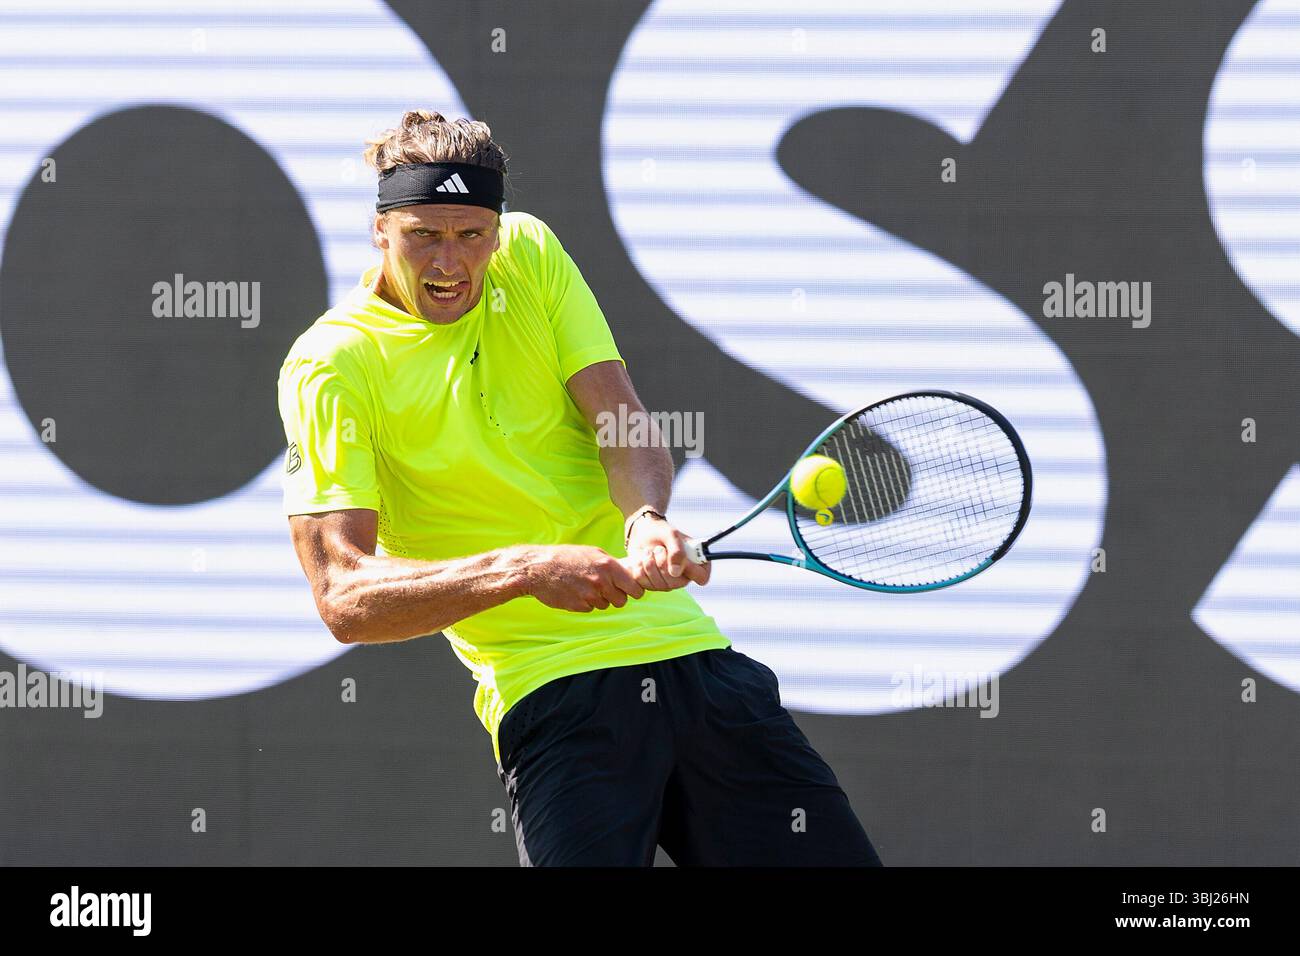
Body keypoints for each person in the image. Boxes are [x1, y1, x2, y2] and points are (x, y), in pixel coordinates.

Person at [277, 108, 882, 867]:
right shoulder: (332, 364)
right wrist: (526, 569)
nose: (450, 262)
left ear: (497, 232)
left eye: (471, 235)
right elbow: (342, 595)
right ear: (379, 229)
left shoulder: (528, 254)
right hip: (554, 701)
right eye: (423, 234)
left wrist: (648, 520)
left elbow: (620, 419)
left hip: (696, 665)